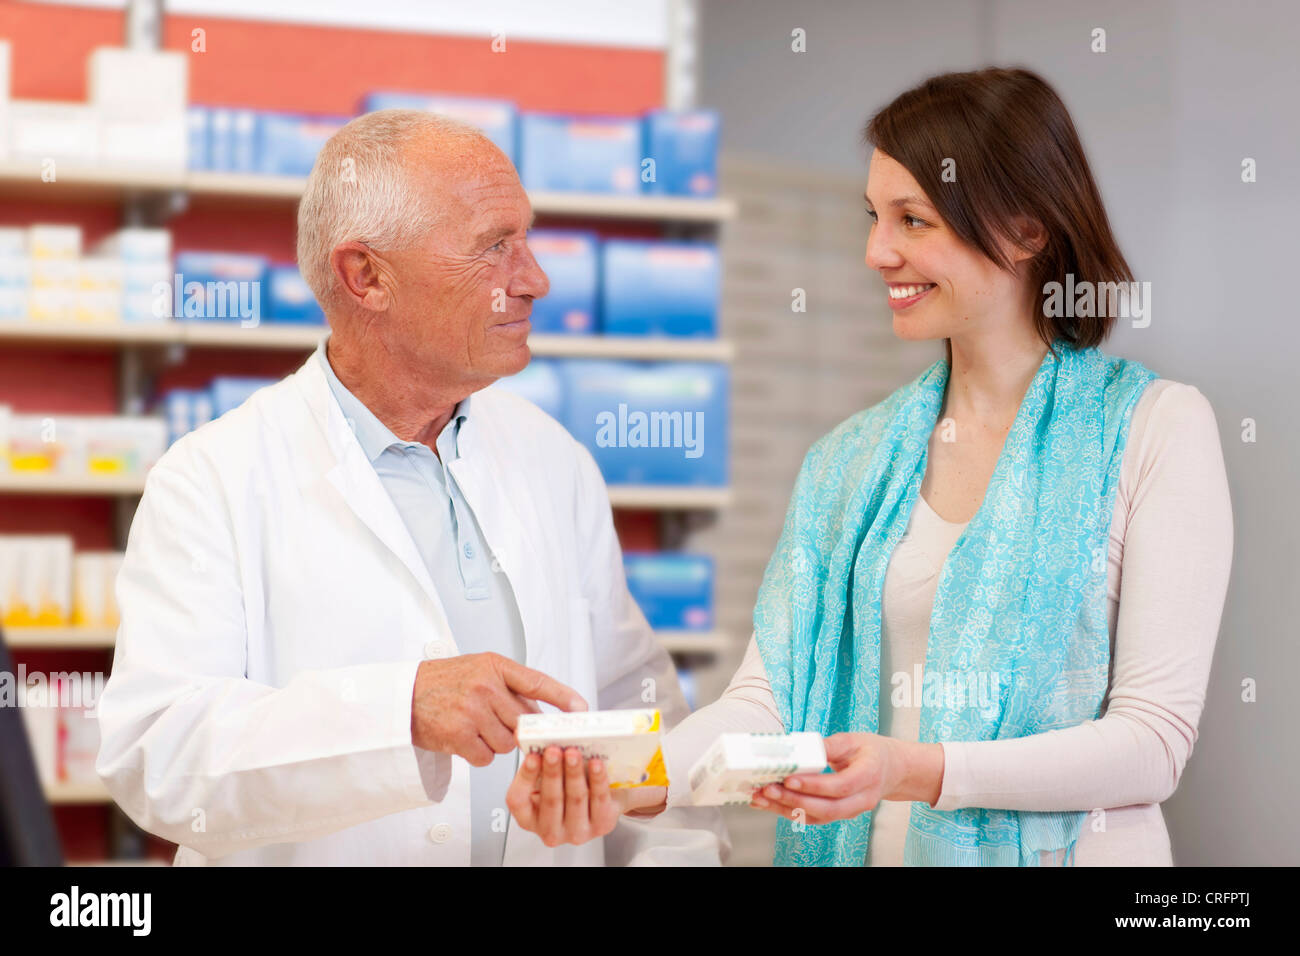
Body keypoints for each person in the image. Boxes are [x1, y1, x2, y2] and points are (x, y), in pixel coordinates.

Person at [94, 109, 727, 866]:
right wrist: (401, 713)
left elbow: (631, 710)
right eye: (495, 247)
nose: (534, 279)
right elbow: (159, 757)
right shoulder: (213, 479)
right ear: (366, 276)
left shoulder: (553, 461)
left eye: (525, 239)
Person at [649, 67, 1231, 866]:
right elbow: (766, 699)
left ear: (1027, 230)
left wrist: (917, 769)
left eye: (912, 221)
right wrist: (626, 780)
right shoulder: (848, 460)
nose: (875, 252)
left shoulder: (1156, 428)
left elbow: (1152, 742)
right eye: (874, 217)